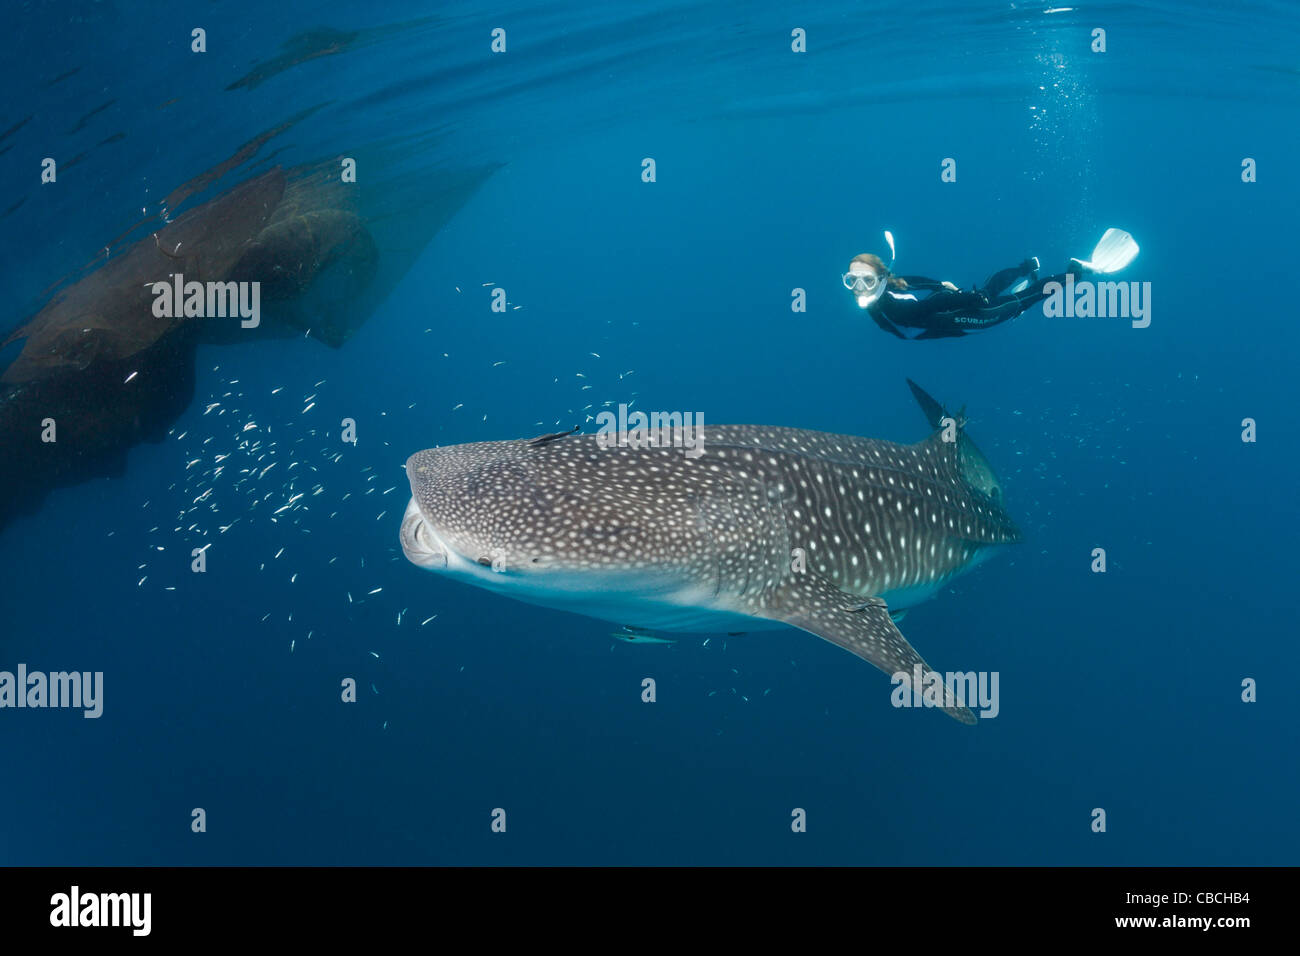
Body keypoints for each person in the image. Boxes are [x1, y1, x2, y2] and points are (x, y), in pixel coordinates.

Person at [845, 228, 1139, 339]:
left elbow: (922, 308)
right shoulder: (885, 291)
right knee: (989, 289)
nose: (859, 286)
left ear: (882, 278)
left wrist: (963, 298)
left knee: (1025, 300)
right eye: (852, 280)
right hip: (957, 307)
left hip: (969, 316)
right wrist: (944, 287)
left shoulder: (890, 307)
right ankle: (1026, 267)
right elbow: (917, 284)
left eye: (866, 279)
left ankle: (1079, 273)